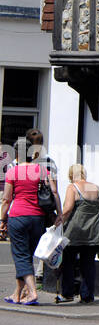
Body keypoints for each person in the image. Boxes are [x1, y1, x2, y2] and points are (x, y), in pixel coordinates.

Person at [0, 129, 60, 306]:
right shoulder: (41, 170)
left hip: (18, 216)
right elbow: (54, 192)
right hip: (37, 218)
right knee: (27, 257)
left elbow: (6, 199)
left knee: (20, 256)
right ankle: (17, 294)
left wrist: (2, 220)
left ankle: (33, 293)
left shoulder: (13, 172)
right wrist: (60, 214)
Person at [57, 164, 99, 304]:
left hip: (74, 232)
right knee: (88, 264)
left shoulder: (73, 187)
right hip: (93, 232)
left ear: (71, 175)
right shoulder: (96, 188)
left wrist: (57, 223)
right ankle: (87, 296)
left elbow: (68, 209)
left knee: (68, 262)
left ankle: (67, 293)